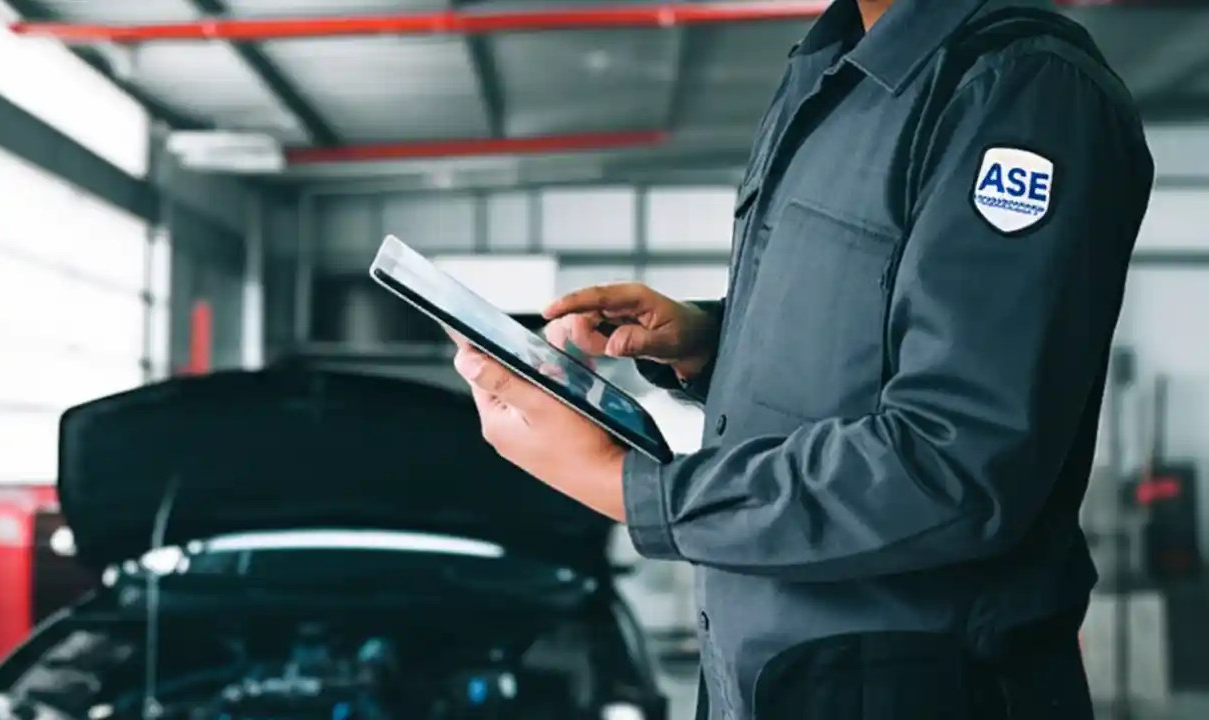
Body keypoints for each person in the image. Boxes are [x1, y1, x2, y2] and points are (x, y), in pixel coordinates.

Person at [449, 0, 1154, 717]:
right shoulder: (832, 69)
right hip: (767, 677)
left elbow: (957, 464)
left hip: (913, 686)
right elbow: (874, 349)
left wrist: (626, 488)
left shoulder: (1021, 92)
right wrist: (711, 343)